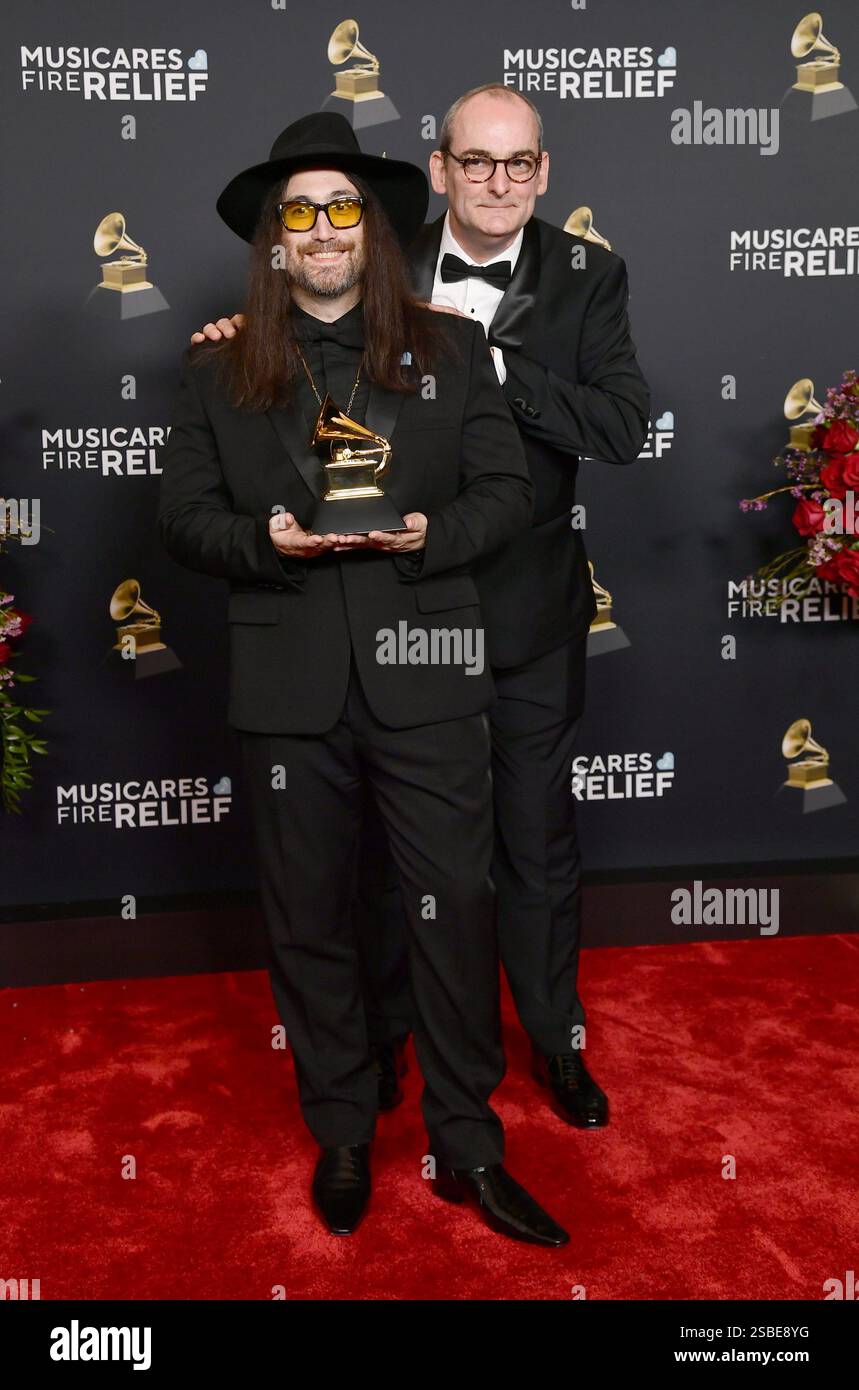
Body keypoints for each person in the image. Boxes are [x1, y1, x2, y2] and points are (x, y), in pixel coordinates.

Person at [192, 85, 651, 1133]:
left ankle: (552, 1040)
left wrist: (487, 359)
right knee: (394, 863)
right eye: (476, 163)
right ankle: (389, 1043)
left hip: (524, 613)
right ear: (436, 170)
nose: (499, 184)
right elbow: (288, 341)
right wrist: (239, 328)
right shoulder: (372, 247)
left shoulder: (589, 275)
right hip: (387, 613)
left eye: (520, 164)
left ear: (544, 171)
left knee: (531, 847)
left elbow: (622, 423)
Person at [158, 110, 571, 1248]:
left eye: (345, 207)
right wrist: (265, 544)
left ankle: (466, 1142)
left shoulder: (449, 349)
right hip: (288, 682)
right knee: (307, 919)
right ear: (277, 240)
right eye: (302, 212)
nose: (326, 228)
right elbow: (183, 515)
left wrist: (432, 533)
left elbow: (509, 494)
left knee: (455, 910)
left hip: (430, 666)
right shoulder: (215, 362)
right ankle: (341, 1124)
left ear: (375, 227)